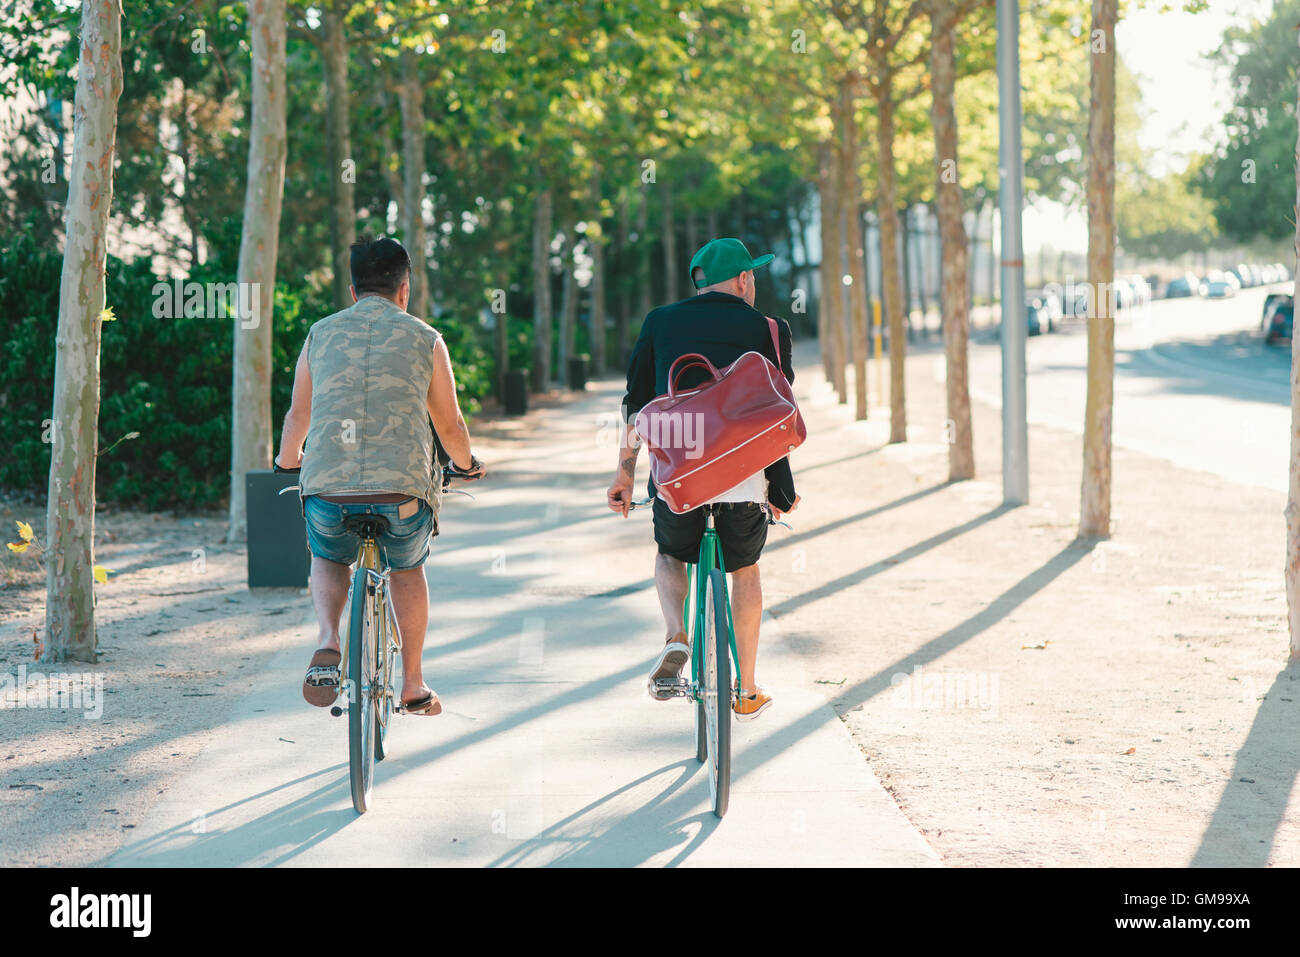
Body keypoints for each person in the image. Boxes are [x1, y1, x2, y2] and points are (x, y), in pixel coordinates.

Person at [274, 236, 484, 716]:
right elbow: (449, 425)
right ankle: (412, 684)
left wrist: (289, 461)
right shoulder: (426, 338)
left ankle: (328, 639)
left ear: (352, 291)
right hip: (404, 492)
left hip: (329, 487)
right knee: (407, 568)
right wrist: (467, 465)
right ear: (404, 289)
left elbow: (297, 415)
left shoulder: (320, 334)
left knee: (328, 555)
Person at [607, 238, 799, 721]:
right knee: (746, 570)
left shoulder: (660, 321)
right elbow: (776, 415)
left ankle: (676, 636)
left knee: (672, 554)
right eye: (751, 275)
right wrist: (781, 489)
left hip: (679, 477)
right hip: (743, 475)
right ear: (743, 280)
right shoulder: (770, 329)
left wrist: (625, 474)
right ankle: (748, 688)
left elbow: (635, 404)